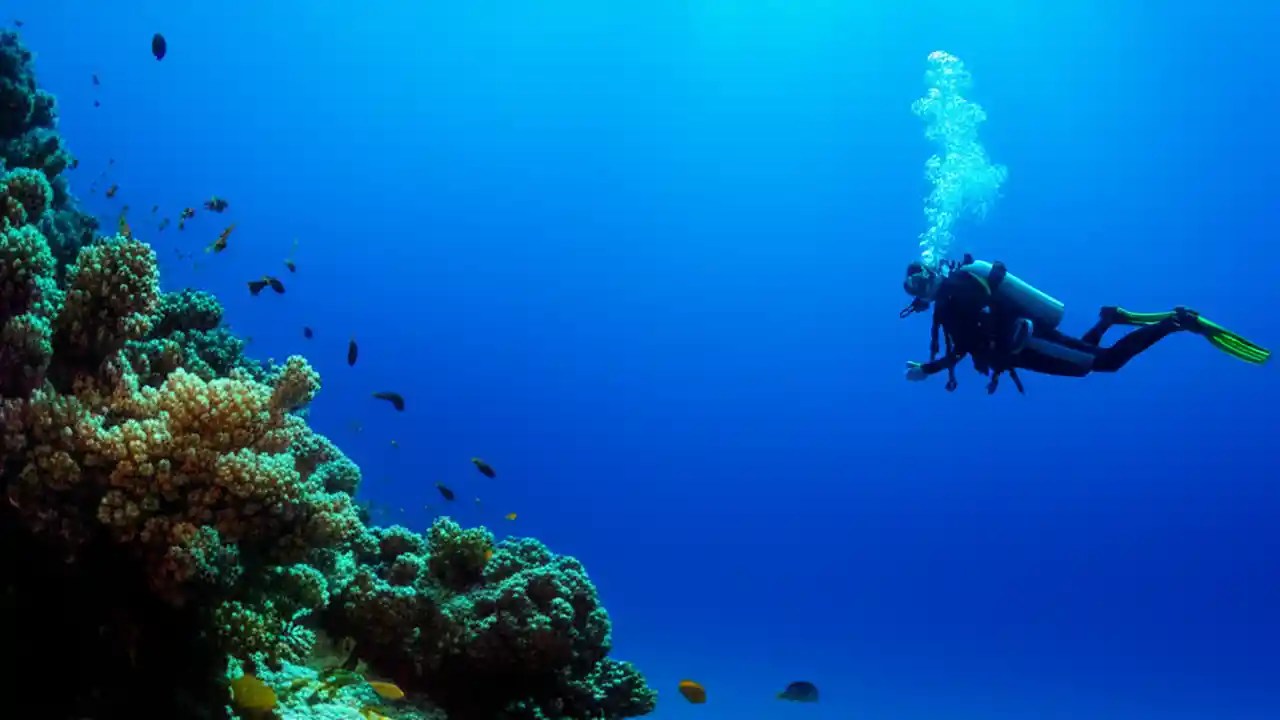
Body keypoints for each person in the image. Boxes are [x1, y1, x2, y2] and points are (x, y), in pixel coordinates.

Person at [898, 255, 1270, 394]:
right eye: (913, 286)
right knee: (1088, 360)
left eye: (921, 278)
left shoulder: (951, 295)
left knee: (1104, 363)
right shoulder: (952, 295)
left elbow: (962, 347)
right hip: (1023, 344)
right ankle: (1108, 320)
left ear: (932, 272)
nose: (921, 286)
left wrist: (928, 369)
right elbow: (966, 342)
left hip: (1024, 343)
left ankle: (1176, 322)